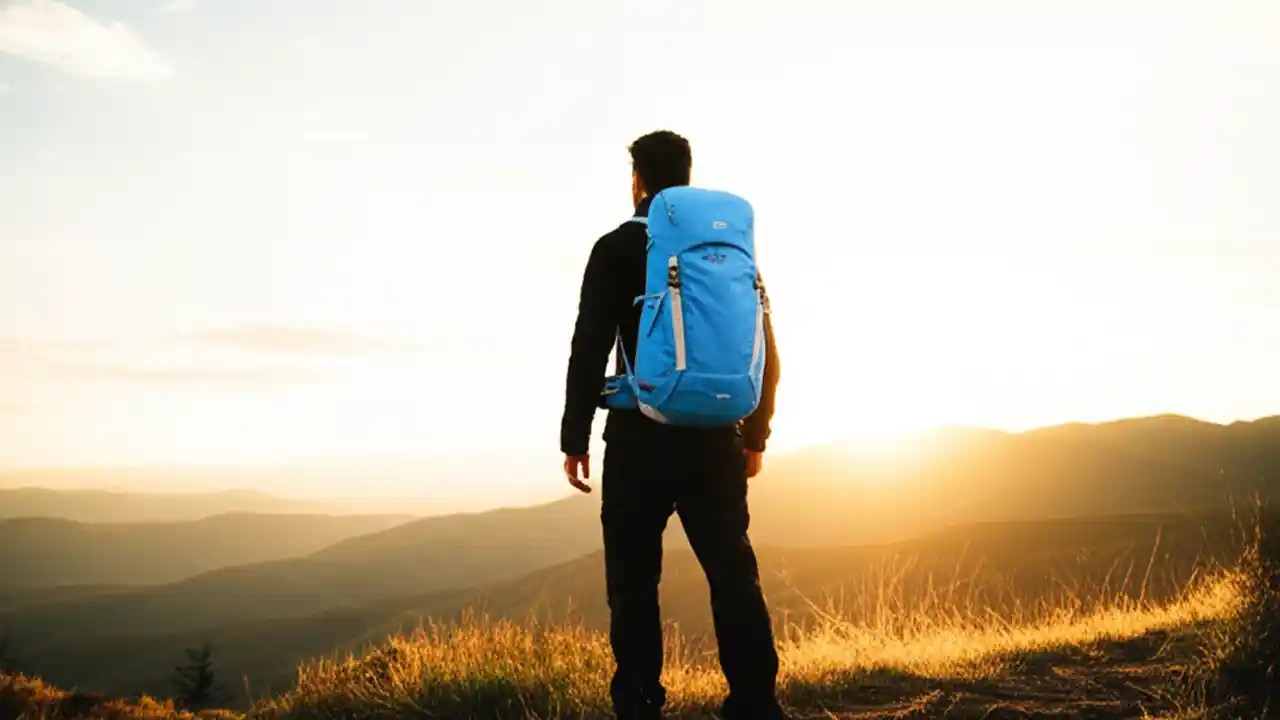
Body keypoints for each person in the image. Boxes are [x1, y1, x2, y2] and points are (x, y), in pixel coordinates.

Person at [560, 130, 784, 720]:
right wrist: (755, 434)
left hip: (638, 439)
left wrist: (574, 438)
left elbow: (588, 346)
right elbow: (764, 346)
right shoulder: (724, 250)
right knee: (732, 571)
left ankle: (639, 701)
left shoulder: (615, 248)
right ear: (686, 178)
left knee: (633, 584)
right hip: (714, 438)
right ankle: (756, 703)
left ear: (637, 182)